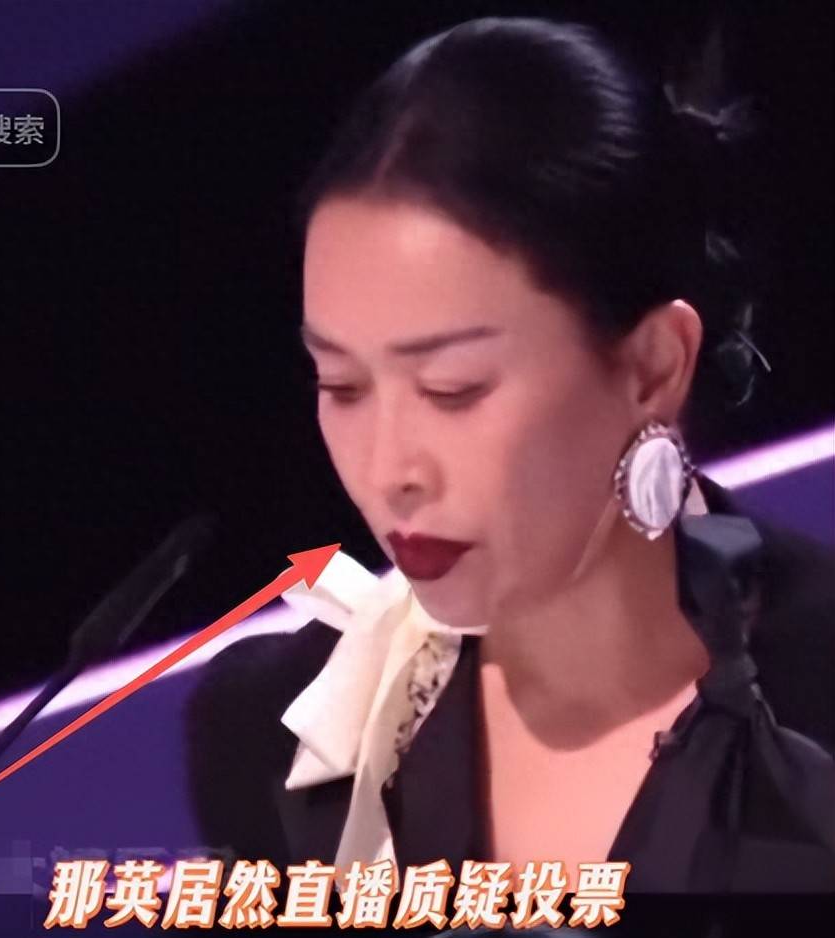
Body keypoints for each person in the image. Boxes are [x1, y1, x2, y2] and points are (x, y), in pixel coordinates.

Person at [184, 15, 834, 932]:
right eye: (342, 385)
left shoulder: (814, 692)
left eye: (452, 389)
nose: (389, 470)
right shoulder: (277, 733)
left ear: (653, 367)